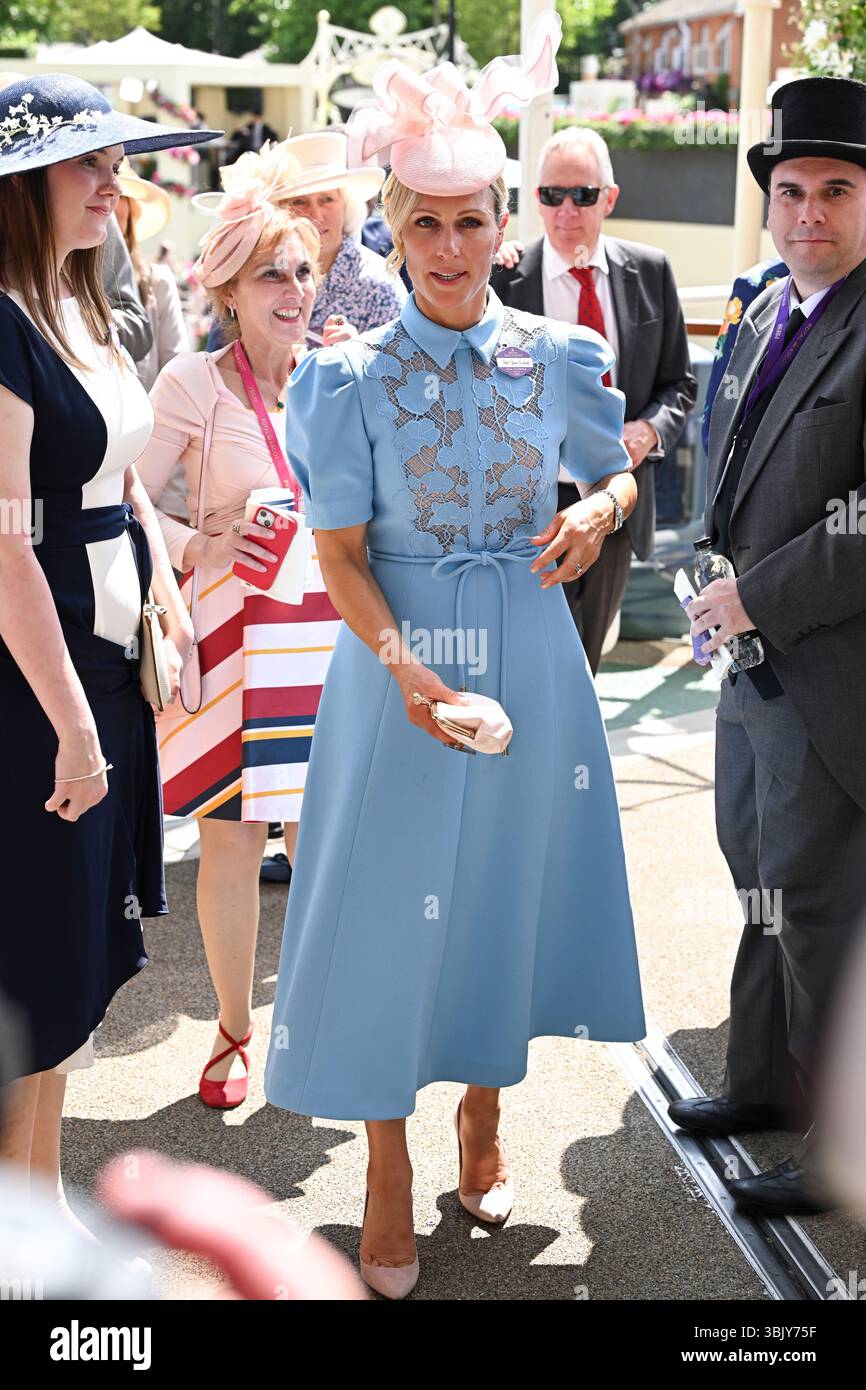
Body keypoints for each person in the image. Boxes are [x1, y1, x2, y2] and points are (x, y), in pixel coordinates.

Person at [264, 14, 645, 1299]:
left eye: (469, 220)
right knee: (382, 912)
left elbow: (615, 478)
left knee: (498, 894)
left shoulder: (561, 355)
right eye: (419, 223)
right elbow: (340, 560)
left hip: (532, 656)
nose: (446, 248)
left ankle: (482, 1120)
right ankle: (382, 1164)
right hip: (395, 668)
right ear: (387, 226)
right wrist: (408, 672)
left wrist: (594, 513)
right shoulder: (345, 380)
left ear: (501, 224)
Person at [0, 74, 219, 1221]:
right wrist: (76, 732)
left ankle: (31, 1237)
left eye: (116, 159)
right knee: (29, 993)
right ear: (23, 182)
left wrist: (167, 599)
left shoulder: (81, 296)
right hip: (38, 698)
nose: (115, 180)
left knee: (65, 996)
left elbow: (119, 470)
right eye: (89, 163)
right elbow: (4, 549)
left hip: (104, 675)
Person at [668, 75, 866, 1216]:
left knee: (818, 902)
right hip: (747, 666)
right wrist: (704, 567)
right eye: (788, 189)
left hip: (829, 669)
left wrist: (760, 596)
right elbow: (725, 468)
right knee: (755, 880)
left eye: (835, 190)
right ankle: (763, 1080)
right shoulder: (761, 310)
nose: (807, 212)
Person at [137, 174, 344, 1110]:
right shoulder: (192, 381)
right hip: (230, 630)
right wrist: (202, 543)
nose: (294, 292)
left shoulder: (339, 374)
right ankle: (233, 1024)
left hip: (328, 632)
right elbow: (125, 497)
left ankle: (333, 1018)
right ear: (228, 292)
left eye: (303, 273)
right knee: (232, 836)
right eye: (272, 277)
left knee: (326, 839)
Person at [490, 127, 696, 673]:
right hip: (524, 506)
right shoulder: (503, 281)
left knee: (586, 663)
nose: (566, 209)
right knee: (527, 661)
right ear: (533, 199)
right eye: (550, 194)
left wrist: (648, 431)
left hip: (613, 501)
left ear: (609, 197)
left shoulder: (650, 271)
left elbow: (680, 383)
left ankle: (575, 758)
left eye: (582, 194)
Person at [115, 160, 189, 392]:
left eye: (120, 195)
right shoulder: (57, 284)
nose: (107, 198)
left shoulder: (156, 282)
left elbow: (178, 374)